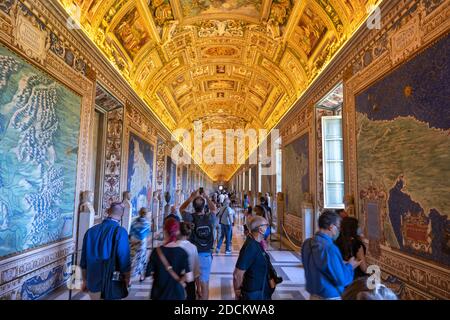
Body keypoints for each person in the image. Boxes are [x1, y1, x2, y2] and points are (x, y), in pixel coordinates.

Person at [301, 210, 361, 300]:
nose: (339, 230)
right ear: (331, 227)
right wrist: (350, 266)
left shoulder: (307, 243)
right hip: (330, 295)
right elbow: (341, 279)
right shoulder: (330, 248)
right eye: (338, 227)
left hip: (313, 294)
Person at [80, 202, 131, 300]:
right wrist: (127, 278)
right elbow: (124, 259)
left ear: (108, 212)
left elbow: (83, 261)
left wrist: (85, 281)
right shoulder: (120, 232)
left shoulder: (90, 231)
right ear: (121, 215)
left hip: (93, 282)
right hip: (112, 283)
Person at [180, 189, 217, 300]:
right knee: (205, 281)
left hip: (193, 254)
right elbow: (214, 209)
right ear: (204, 206)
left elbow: (181, 209)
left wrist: (191, 197)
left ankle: (198, 290)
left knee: (194, 277)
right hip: (206, 254)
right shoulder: (209, 218)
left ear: (193, 206)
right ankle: (202, 293)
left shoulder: (190, 218)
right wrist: (206, 196)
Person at [145, 218, 192, 300]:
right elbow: (189, 277)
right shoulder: (183, 252)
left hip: (159, 294)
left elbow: (147, 276)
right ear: (177, 232)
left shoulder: (156, 251)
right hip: (177, 294)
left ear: (164, 230)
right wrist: (180, 279)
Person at [233, 216, 275, 300]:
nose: (268, 228)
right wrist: (237, 290)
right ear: (260, 229)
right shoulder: (250, 247)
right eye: (266, 225)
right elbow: (237, 274)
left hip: (261, 291)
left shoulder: (257, 243)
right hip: (253, 294)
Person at [177, 222, 200, 300]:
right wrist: (198, 288)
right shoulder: (193, 247)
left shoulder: (173, 246)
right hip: (189, 281)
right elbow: (196, 271)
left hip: (175, 280)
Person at [129, 207, 151, 282]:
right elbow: (147, 234)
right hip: (142, 244)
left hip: (133, 241)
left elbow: (131, 231)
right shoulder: (147, 223)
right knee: (142, 259)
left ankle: (129, 279)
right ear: (146, 214)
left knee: (132, 259)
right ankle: (141, 276)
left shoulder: (134, 221)